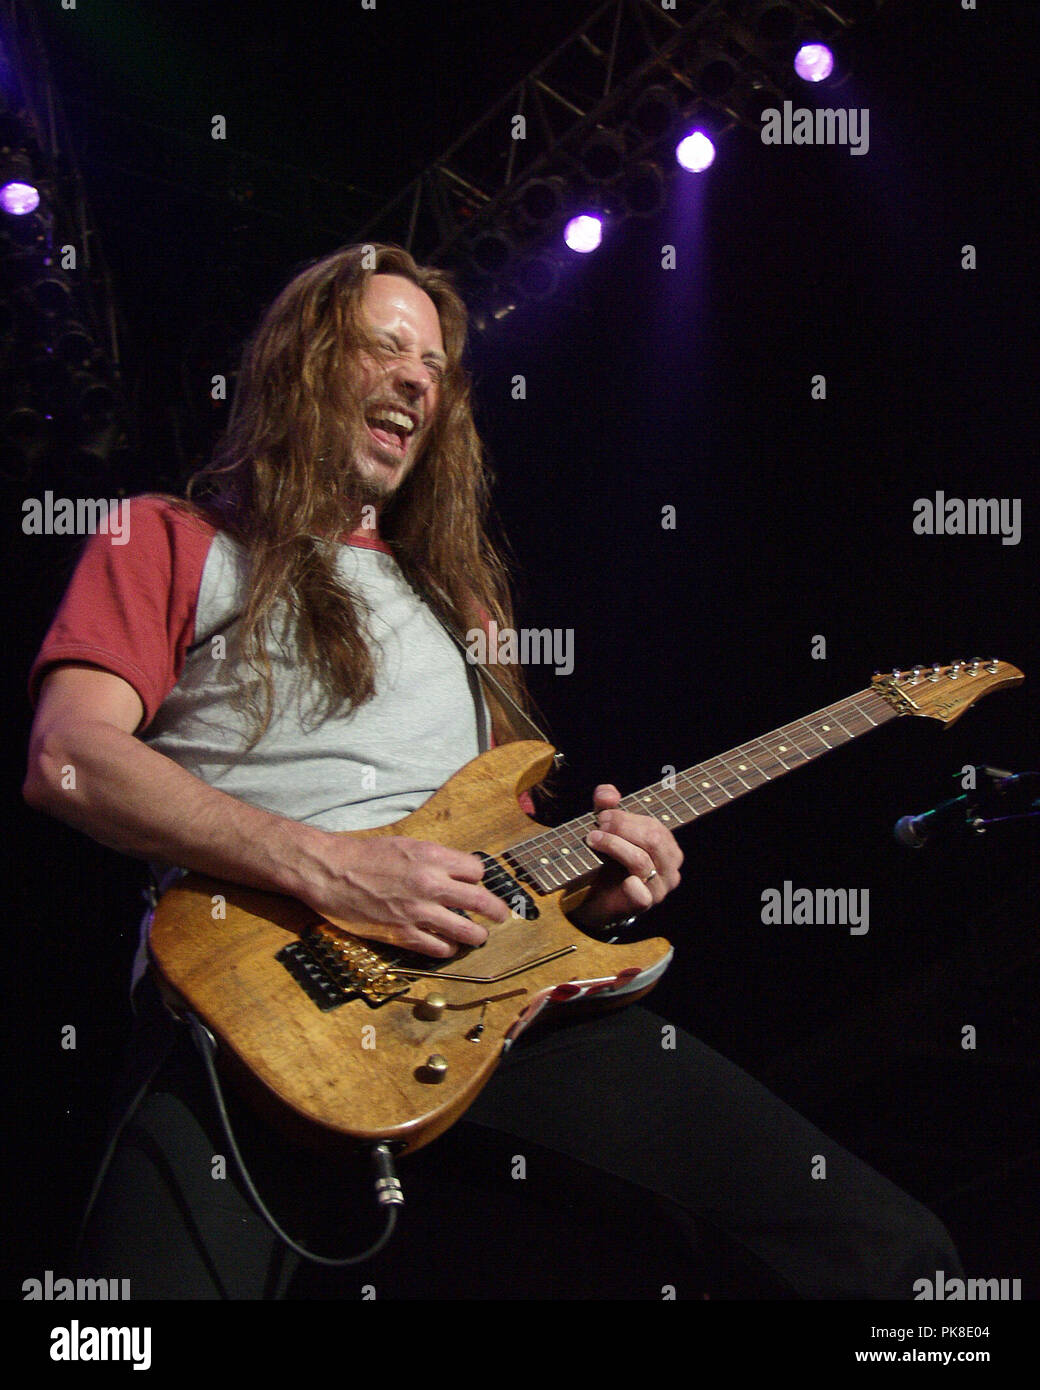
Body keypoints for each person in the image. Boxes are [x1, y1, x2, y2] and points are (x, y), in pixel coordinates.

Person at [24, 242, 962, 1299]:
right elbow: (69, 759)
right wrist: (329, 867)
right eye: (383, 346)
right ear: (300, 363)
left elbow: (496, 844)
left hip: (483, 1009)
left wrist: (597, 893)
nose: (418, 379)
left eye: (433, 364)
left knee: (889, 1255)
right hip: (248, 1018)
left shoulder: (463, 609)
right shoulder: (168, 535)